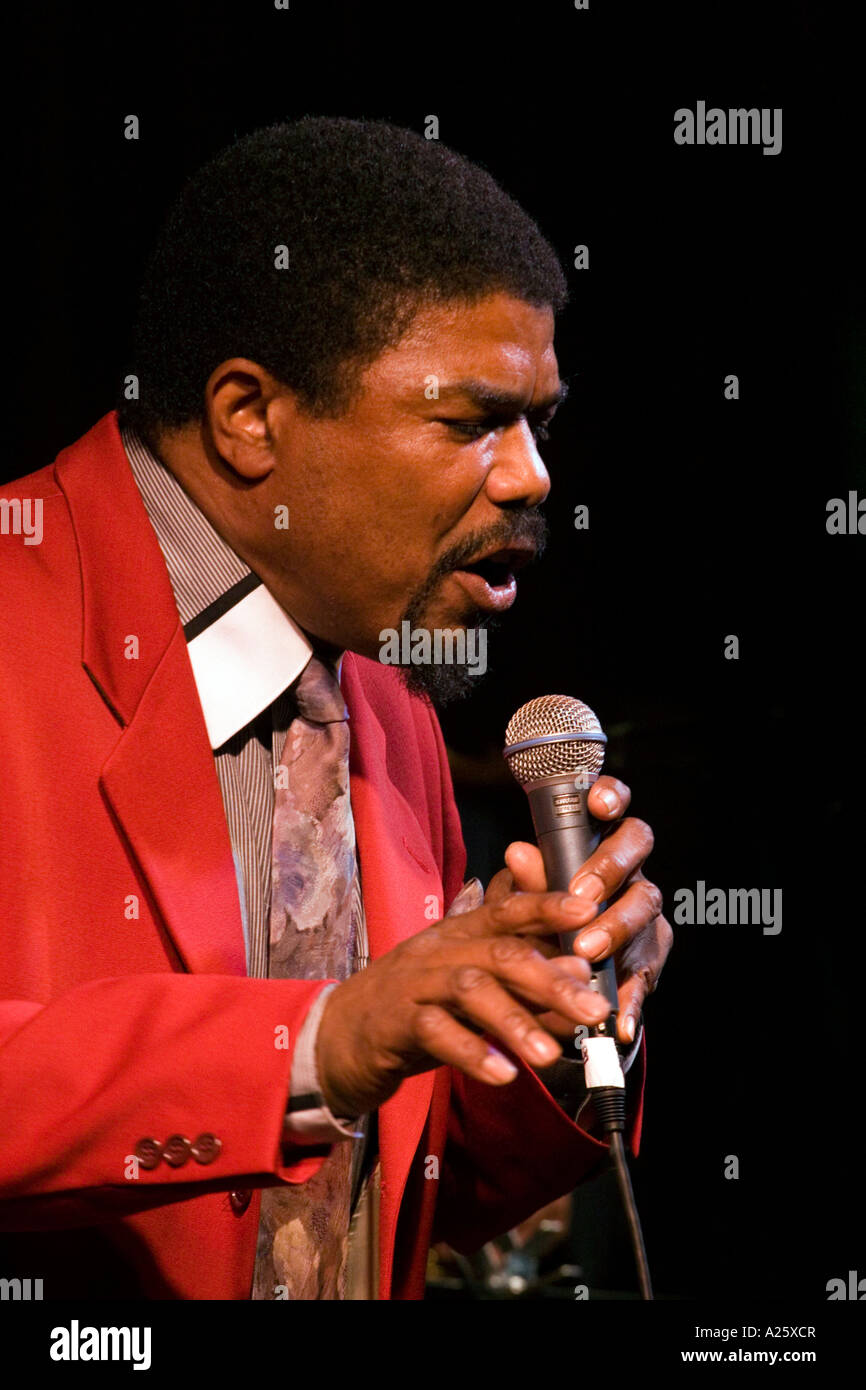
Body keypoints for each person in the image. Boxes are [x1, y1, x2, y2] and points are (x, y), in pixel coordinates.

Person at [0, 118, 672, 1300]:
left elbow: (396, 1191)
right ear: (250, 417)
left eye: (538, 422)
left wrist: (542, 1033)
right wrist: (323, 1036)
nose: (530, 476)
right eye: (471, 421)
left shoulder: (383, 690)